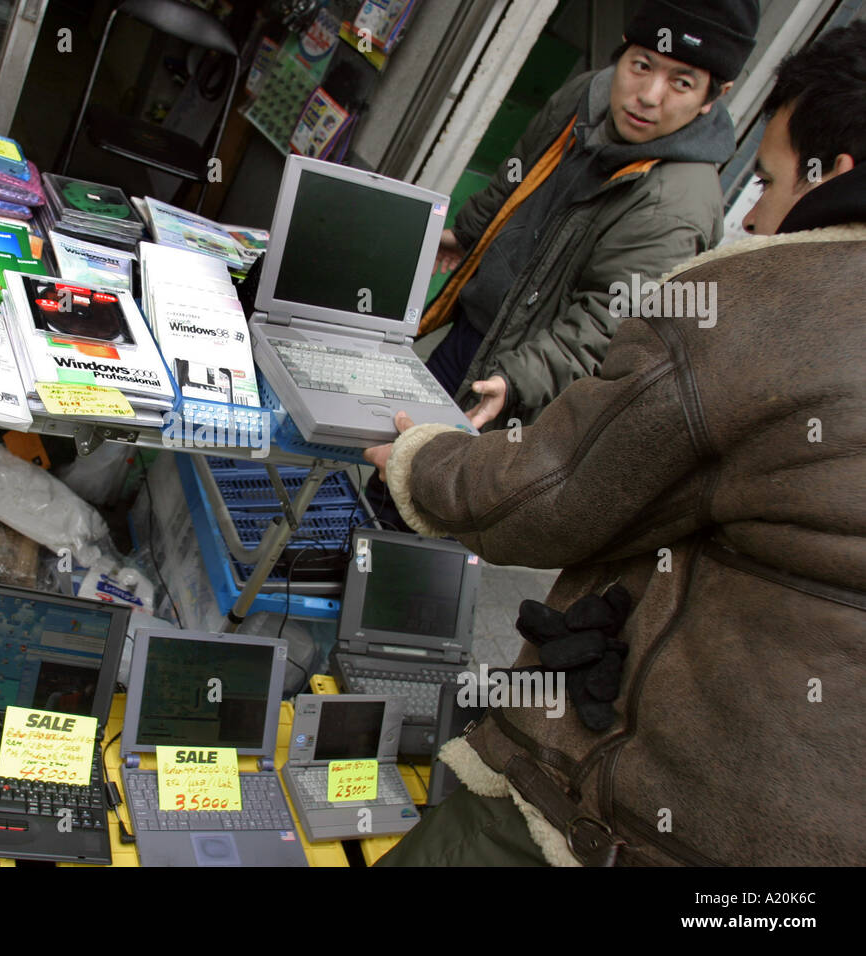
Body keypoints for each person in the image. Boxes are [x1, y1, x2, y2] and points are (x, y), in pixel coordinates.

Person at [363, 19, 866, 866]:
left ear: (833, 178)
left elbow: (552, 491)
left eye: (772, 182)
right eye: (641, 65)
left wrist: (426, 461)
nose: (755, 211)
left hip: (626, 813)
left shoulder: (754, 295)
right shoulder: (579, 107)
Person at [367, 0, 761, 527]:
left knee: (441, 510)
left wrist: (519, 382)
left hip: (529, 394)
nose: (648, 96)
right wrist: (469, 233)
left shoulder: (678, 203)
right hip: (473, 336)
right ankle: (346, 562)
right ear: (622, 50)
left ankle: (376, 589)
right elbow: (517, 174)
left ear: (716, 98)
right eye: (641, 65)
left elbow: (607, 324)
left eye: (682, 83)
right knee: (391, 471)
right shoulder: (586, 97)